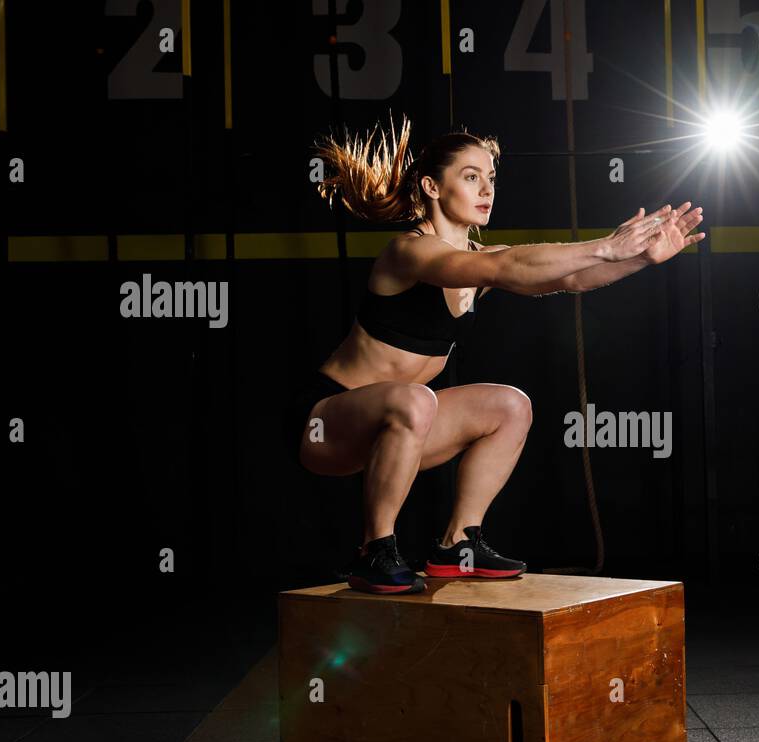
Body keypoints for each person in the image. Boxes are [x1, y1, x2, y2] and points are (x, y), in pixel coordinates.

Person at [285, 114, 705, 594]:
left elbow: (566, 278)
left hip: (397, 436)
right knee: (415, 398)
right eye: (470, 177)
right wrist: (605, 246)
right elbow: (503, 265)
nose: (486, 189)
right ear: (431, 186)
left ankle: (456, 544)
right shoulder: (410, 252)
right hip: (325, 425)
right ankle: (373, 551)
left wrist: (638, 259)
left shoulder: (483, 263)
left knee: (511, 406)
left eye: (490, 179)